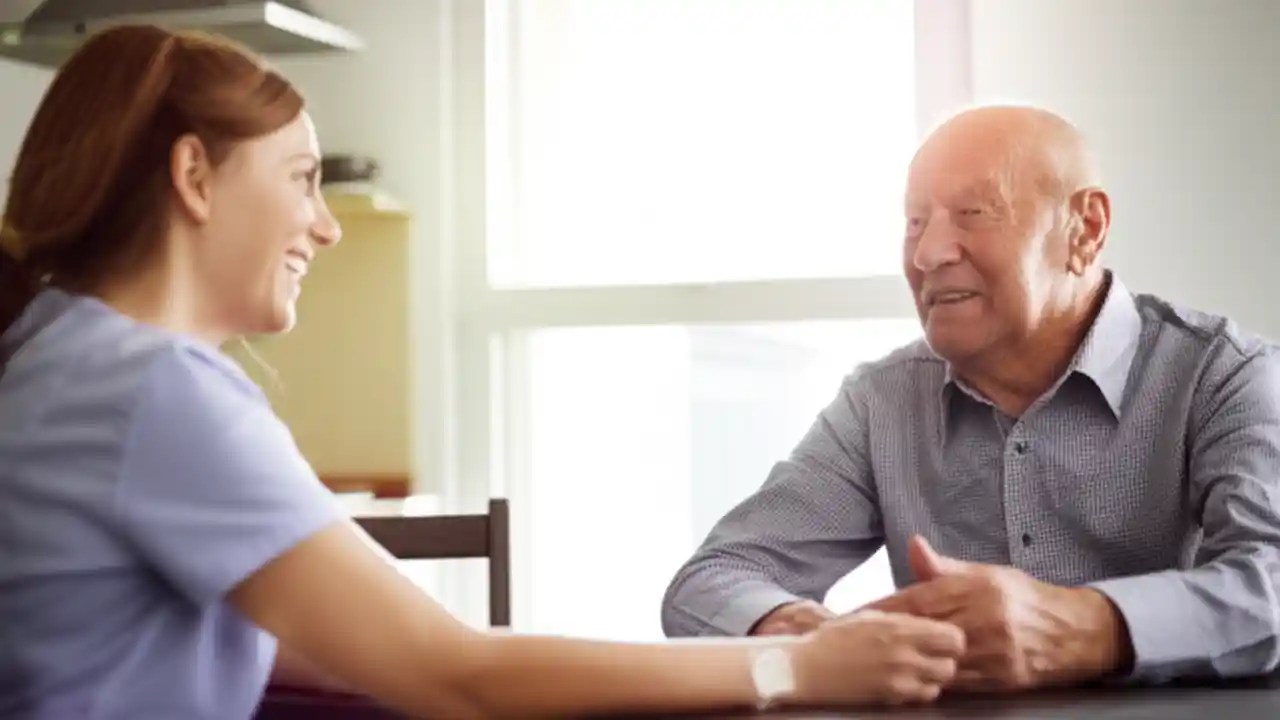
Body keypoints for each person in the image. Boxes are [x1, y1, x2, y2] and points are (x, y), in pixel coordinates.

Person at [0, 25, 969, 719]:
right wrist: (796, 672)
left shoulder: (54, 355)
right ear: (194, 176)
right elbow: (448, 673)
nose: (326, 224)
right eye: (301, 178)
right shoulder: (156, 388)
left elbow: (342, 661)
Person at [662, 104, 1280, 691]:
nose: (928, 254)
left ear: (1085, 230)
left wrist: (1082, 628)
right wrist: (814, 638)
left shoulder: (1223, 374)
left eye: (973, 213)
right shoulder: (881, 401)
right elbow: (711, 581)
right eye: (914, 222)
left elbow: (1268, 580)